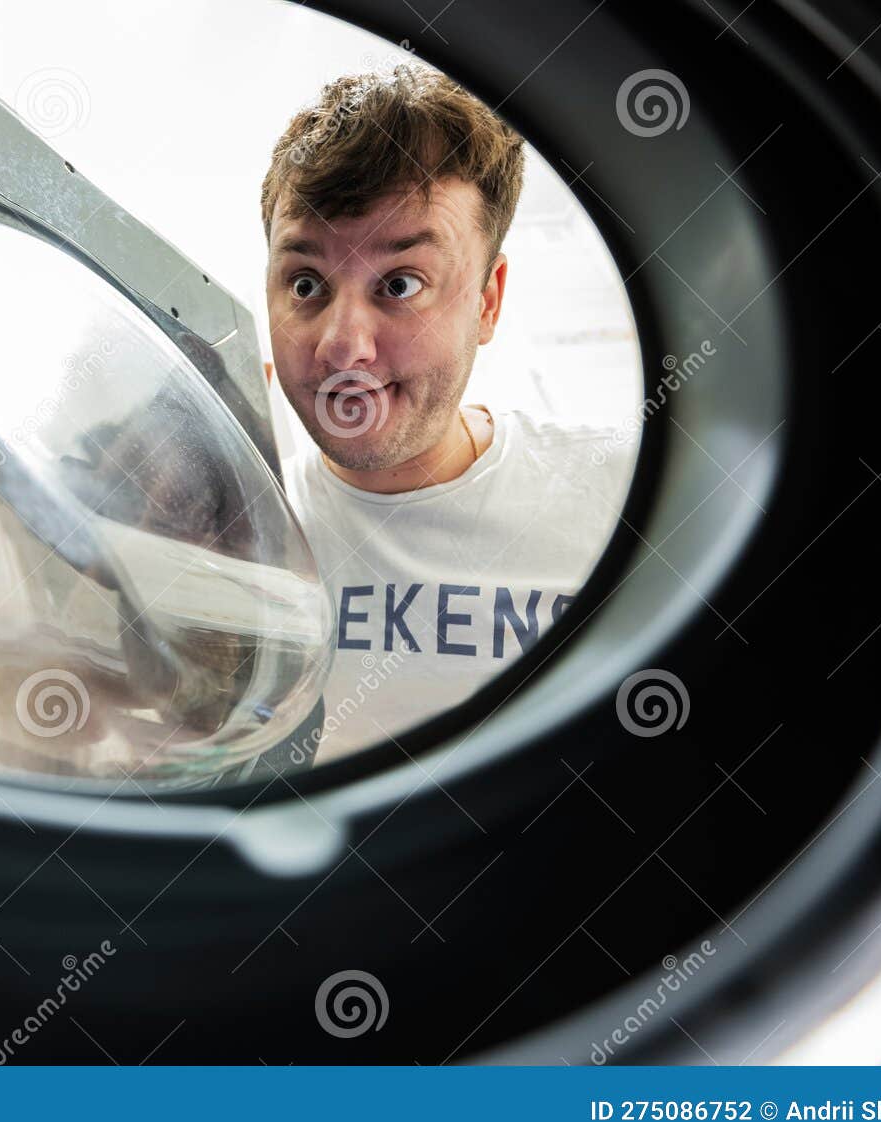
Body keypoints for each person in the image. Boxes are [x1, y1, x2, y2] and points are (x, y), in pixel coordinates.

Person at [261, 64, 635, 765]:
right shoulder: (237, 522)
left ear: (487, 303)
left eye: (400, 284)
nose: (343, 343)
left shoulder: (627, 496)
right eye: (305, 283)